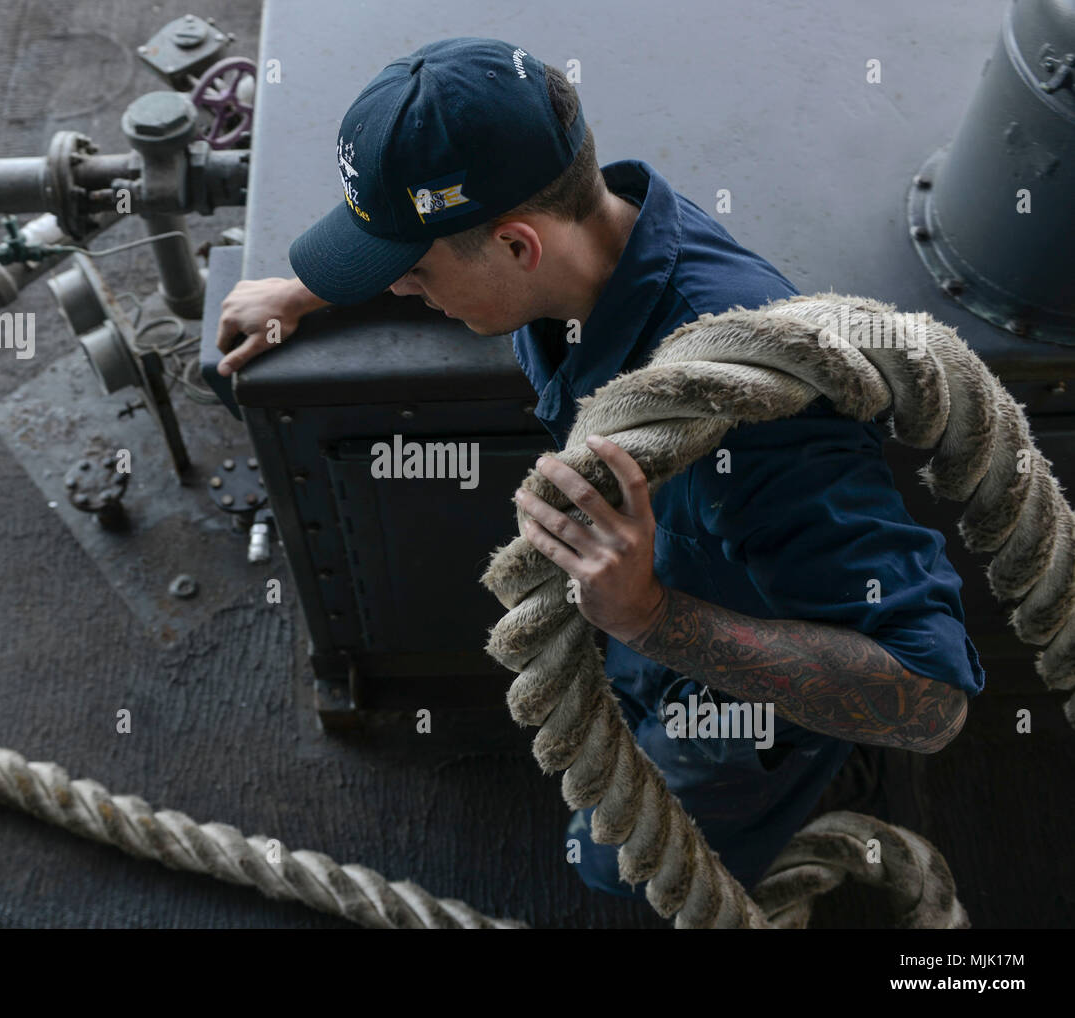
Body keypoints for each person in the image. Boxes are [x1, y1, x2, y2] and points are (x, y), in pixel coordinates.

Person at [213, 36, 985, 898]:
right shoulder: (591, 240)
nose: (400, 290)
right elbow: (470, 253)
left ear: (517, 247)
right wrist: (314, 290)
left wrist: (654, 619)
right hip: (634, 628)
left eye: (412, 272)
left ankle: (799, 783)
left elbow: (932, 700)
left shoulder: (766, 429)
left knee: (613, 862)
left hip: (730, 698)